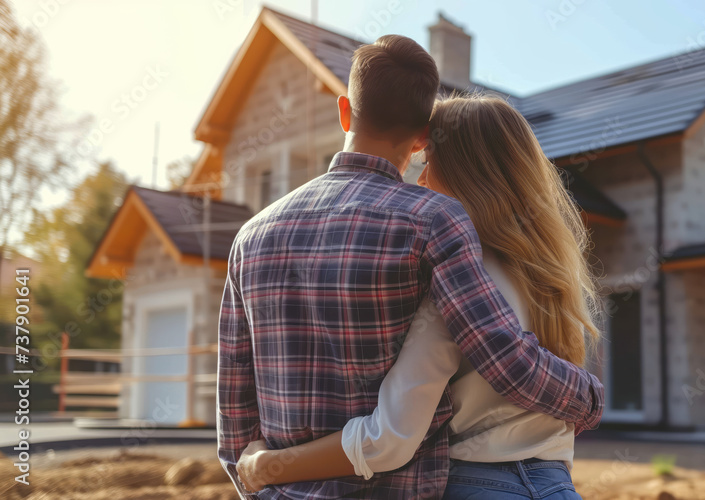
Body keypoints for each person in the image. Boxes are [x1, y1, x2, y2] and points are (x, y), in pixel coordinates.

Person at [216, 35, 604, 500]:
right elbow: (506, 360)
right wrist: (591, 399)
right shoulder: (447, 228)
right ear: (423, 135)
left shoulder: (250, 236)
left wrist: (262, 476)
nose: (422, 175)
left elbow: (236, 422)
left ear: (345, 111)